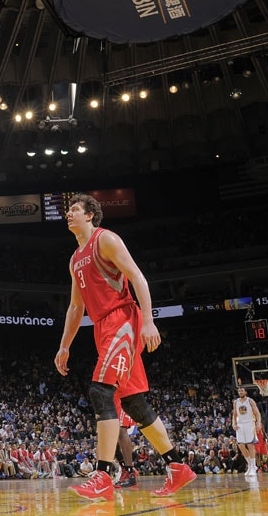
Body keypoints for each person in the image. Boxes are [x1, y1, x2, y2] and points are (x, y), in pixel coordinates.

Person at [54, 194, 196, 502]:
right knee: (132, 402)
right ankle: (177, 466)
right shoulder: (75, 258)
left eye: (75, 209)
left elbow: (136, 276)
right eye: (68, 211)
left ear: (90, 215)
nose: (69, 214)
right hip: (103, 328)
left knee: (100, 391)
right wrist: (64, 346)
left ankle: (103, 475)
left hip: (123, 320)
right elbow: (76, 307)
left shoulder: (106, 240)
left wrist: (148, 321)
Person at [232, 386, 262, 476]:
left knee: (250, 445)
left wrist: (258, 423)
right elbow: (234, 415)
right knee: (240, 445)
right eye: (239, 391)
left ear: (245, 392)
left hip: (249, 423)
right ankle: (250, 464)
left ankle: (253, 465)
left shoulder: (250, 401)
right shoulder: (236, 402)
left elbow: (257, 413)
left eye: (242, 391)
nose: (240, 392)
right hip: (240, 424)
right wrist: (233, 424)